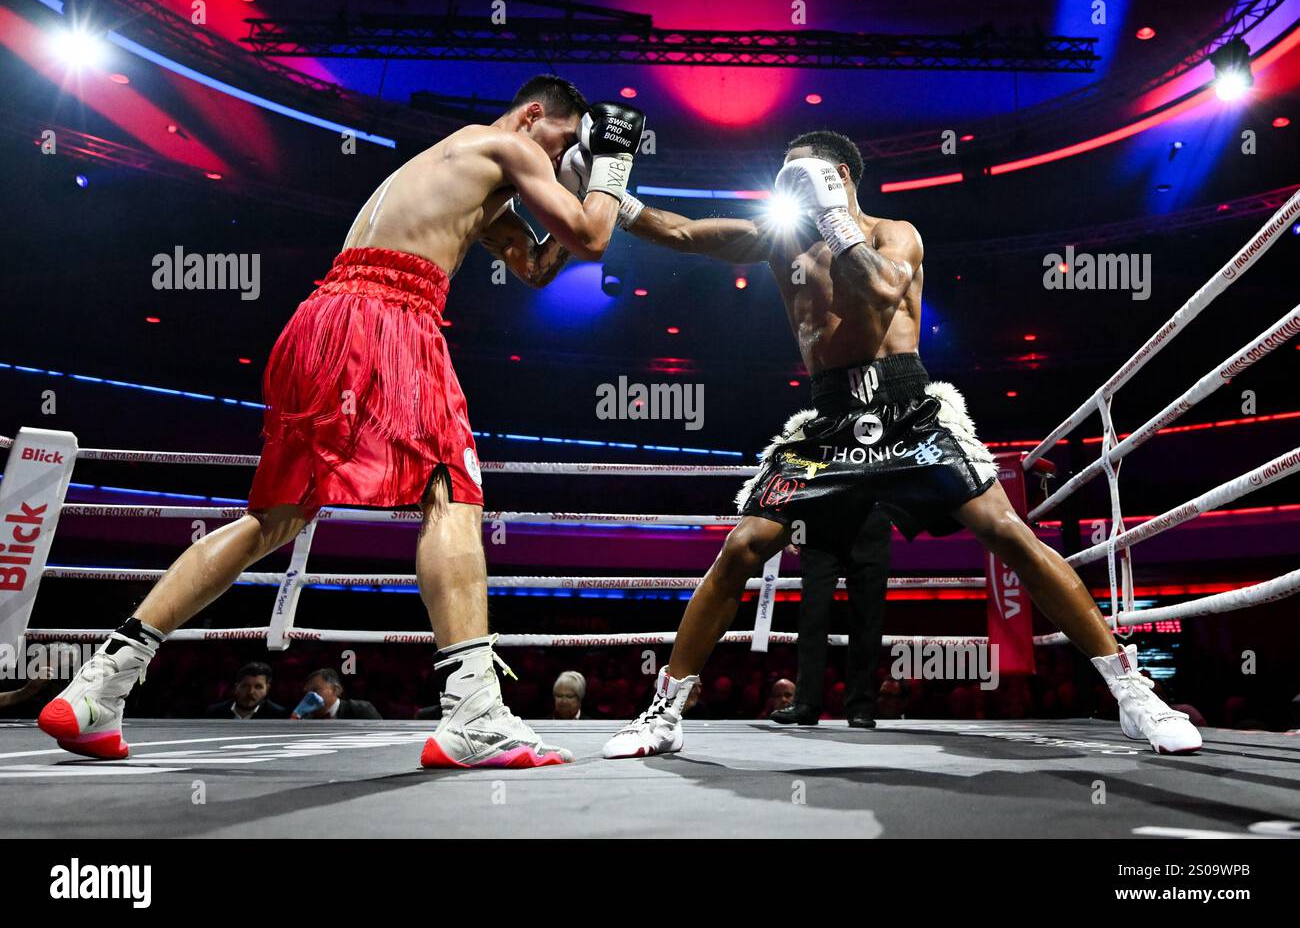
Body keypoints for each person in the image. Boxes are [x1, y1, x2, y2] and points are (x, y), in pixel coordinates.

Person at [39, 75, 647, 769]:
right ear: (535, 116)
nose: (563, 154)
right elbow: (593, 235)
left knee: (275, 516)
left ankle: (98, 687)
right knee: (452, 491)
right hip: (387, 320)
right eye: (564, 140)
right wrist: (612, 165)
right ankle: (474, 713)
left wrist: (584, 185)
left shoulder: (458, 163)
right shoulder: (508, 146)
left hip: (321, 320)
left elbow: (538, 265)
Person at [601, 129, 1201, 758]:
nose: (787, 187)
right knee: (743, 546)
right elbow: (679, 232)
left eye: (800, 175)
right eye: (782, 177)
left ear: (839, 176)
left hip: (909, 411)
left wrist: (836, 219)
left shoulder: (896, 232)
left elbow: (883, 289)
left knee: (1007, 532)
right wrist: (609, 186)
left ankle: (1134, 694)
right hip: (829, 423)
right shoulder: (778, 241)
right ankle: (663, 712)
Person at [772, 503, 891, 727]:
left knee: (868, 616)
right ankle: (805, 703)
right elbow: (797, 473)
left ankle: (861, 706)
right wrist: (793, 529)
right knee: (812, 613)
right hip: (818, 519)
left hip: (870, 518)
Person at [203, 661, 288, 719]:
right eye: (245, 686)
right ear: (236, 687)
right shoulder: (214, 712)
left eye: (258, 687)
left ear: (267, 689)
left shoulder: (278, 715)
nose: (251, 692)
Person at [291, 669, 382, 720]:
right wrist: (296, 716)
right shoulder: (305, 719)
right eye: (306, 692)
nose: (309, 696)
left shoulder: (360, 709)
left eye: (315, 690)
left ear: (336, 690)